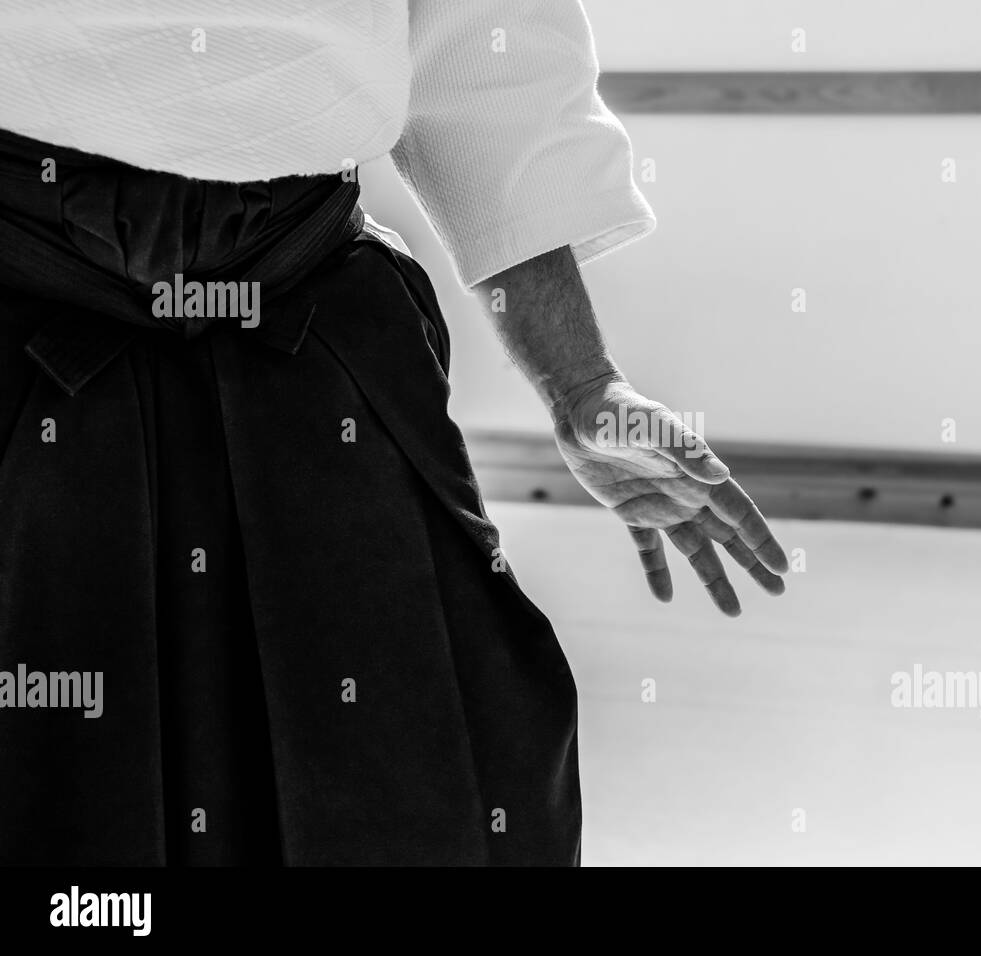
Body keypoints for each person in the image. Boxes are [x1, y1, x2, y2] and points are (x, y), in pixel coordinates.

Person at [0, 0, 788, 866]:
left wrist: (582, 380)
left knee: (433, 771)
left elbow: (484, 49)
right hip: (21, 314)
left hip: (311, 318)